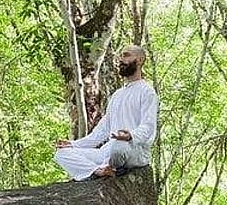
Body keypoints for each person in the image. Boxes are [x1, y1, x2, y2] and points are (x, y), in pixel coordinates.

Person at [54, 45, 158, 180]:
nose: (121, 59)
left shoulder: (147, 92)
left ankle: (109, 166)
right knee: (62, 153)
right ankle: (99, 171)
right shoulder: (117, 95)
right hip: (108, 151)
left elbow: (148, 127)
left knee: (119, 147)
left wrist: (130, 136)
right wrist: (73, 144)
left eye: (126, 55)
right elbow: (101, 131)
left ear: (139, 60)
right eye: (121, 56)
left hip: (134, 150)